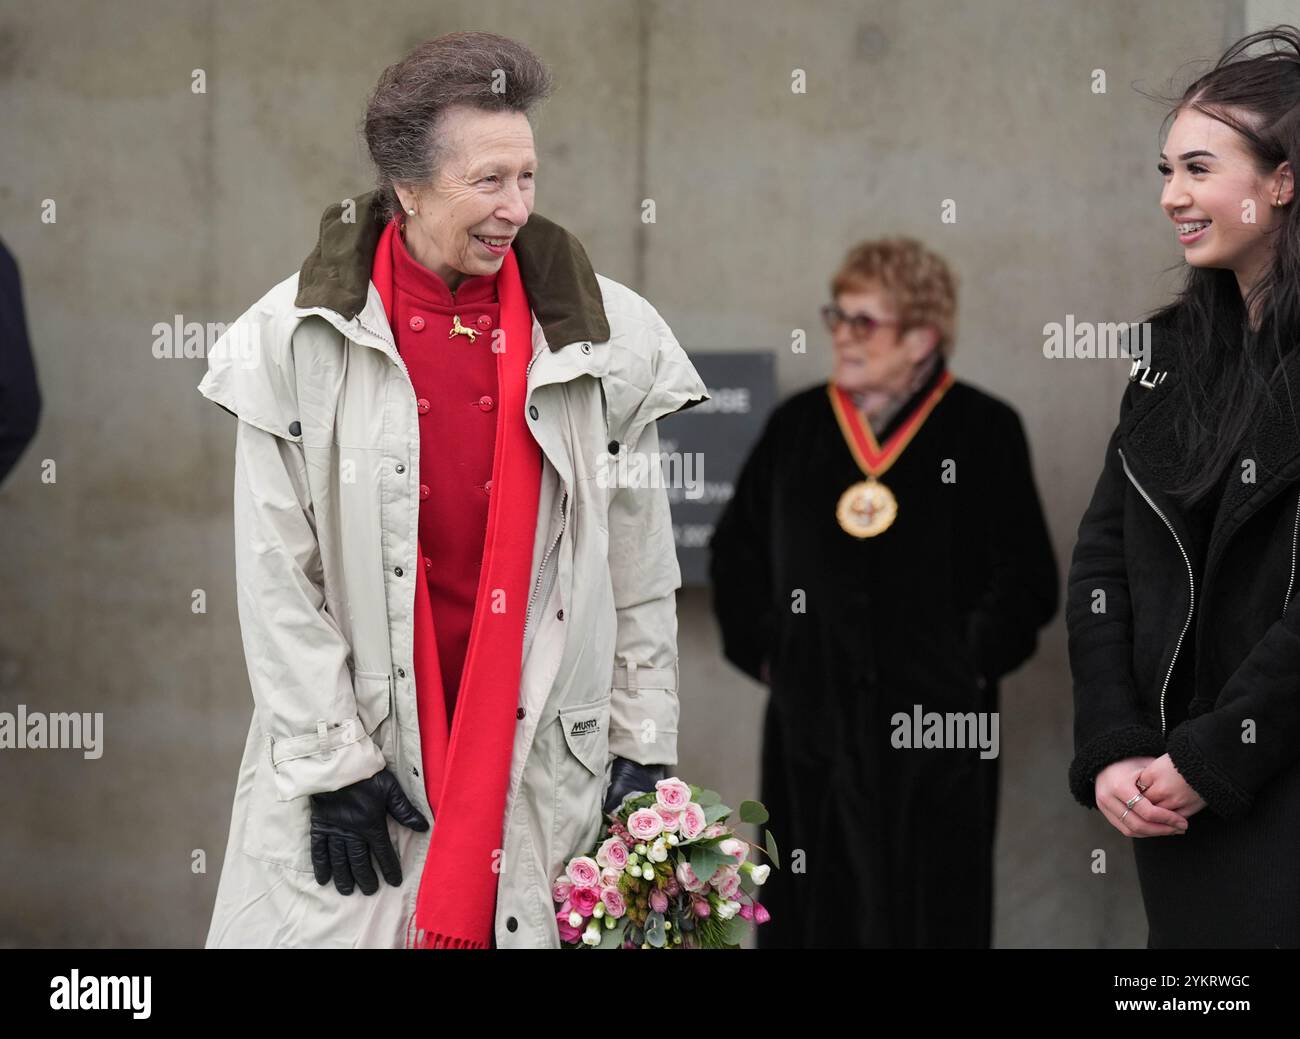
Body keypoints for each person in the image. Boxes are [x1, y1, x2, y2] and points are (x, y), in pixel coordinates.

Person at [198, 31, 708, 948]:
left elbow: (640, 566)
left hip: (548, 759)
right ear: (407, 187)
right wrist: (331, 764)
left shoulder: (612, 336)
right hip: (367, 759)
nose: (516, 207)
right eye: (488, 181)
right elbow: (277, 574)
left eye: (528, 176)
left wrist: (643, 745)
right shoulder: (292, 337)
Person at [709, 237, 1058, 947]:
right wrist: (780, 658)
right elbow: (734, 554)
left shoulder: (984, 430)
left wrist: (966, 665)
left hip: (937, 734)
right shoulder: (798, 427)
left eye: (864, 321)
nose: (841, 333)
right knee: (810, 910)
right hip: (812, 726)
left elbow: (1028, 579)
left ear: (923, 335)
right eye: (837, 315)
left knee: (930, 914)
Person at [1067, 25, 1300, 948]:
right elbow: (1102, 560)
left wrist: (1220, 751)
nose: (1173, 196)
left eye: (1199, 168)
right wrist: (1116, 742)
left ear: (1281, 180)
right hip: (1176, 800)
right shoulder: (1168, 356)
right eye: (1165, 170)